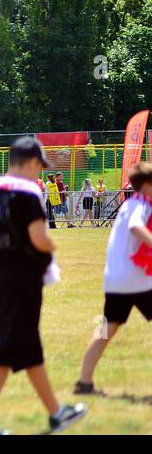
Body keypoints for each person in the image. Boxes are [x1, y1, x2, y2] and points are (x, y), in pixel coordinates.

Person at [0, 137, 87, 434]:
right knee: (8, 346)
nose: (38, 173)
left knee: (29, 347)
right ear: (32, 163)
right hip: (22, 277)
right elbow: (38, 238)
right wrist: (53, 247)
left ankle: (57, 413)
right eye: (38, 167)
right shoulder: (28, 195)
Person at [75, 161, 152, 394]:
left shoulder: (128, 204)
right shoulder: (140, 204)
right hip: (137, 280)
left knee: (106, 330)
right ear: (148, 185)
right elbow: (136, 227)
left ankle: (84, 382)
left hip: (116, 280)